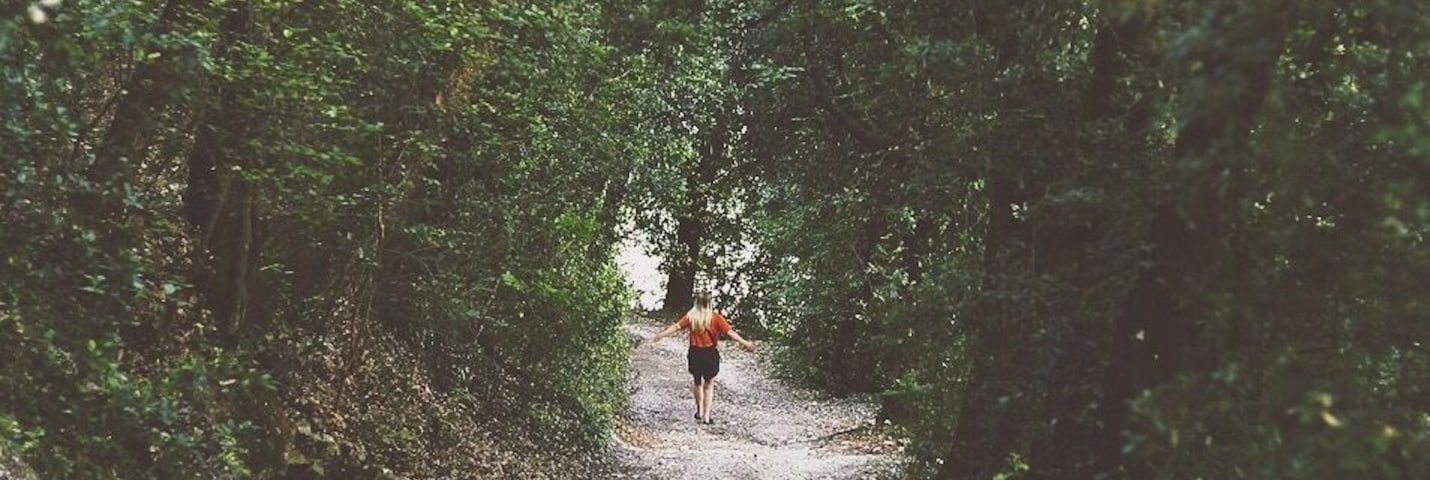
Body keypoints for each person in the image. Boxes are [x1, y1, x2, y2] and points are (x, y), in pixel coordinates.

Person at [648, 291, 756, 424]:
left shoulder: (691, 317)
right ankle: (706, 416)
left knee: (697, 382)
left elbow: (676, 327)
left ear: (696, 303)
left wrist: (661, 335)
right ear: (710, 303)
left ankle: (699, 411)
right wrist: (745, 343)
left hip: (695, 353)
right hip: (709, 353)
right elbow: (730, 332)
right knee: (709, 384)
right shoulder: (715, 318)